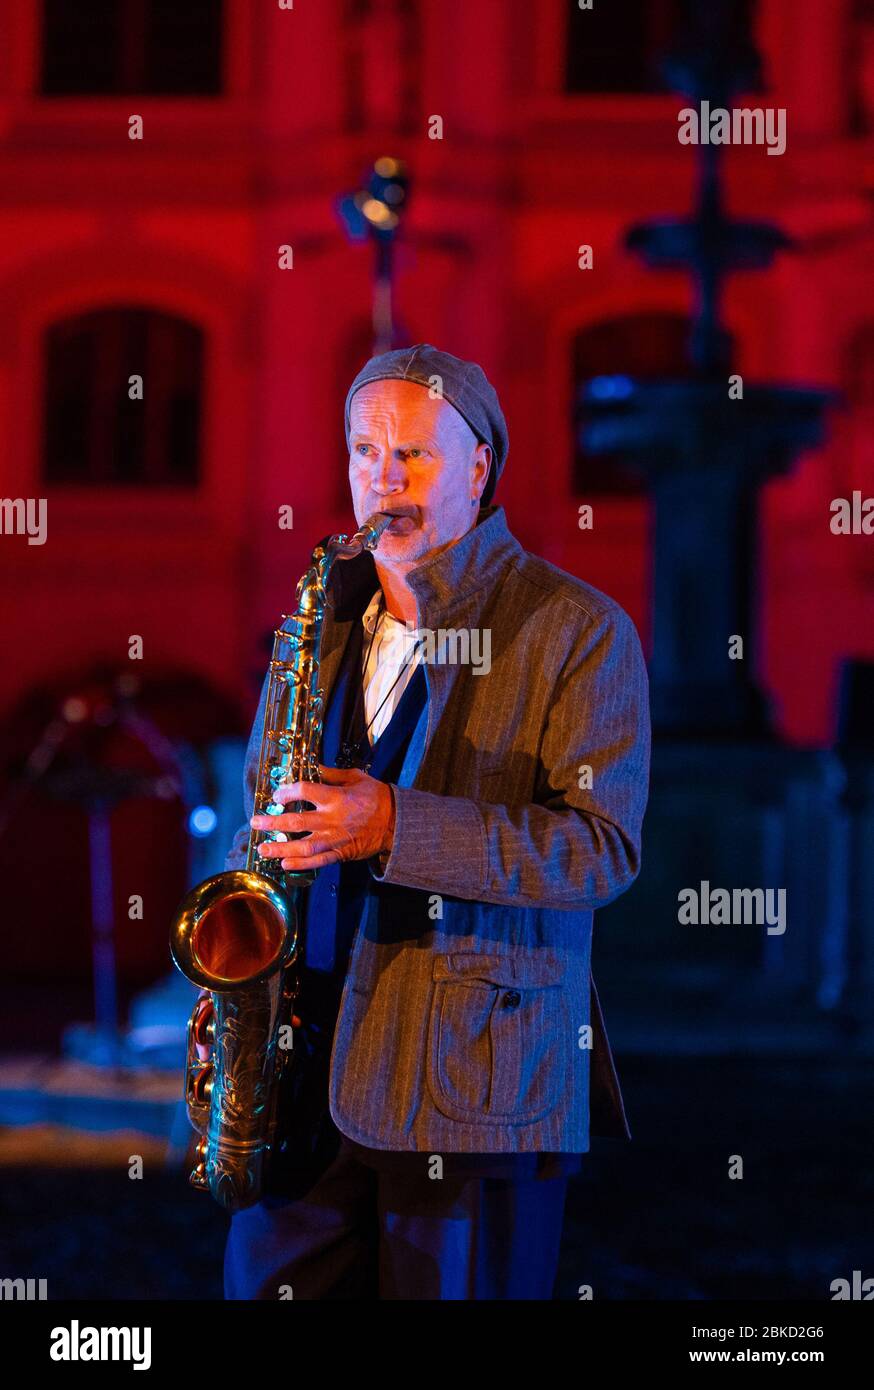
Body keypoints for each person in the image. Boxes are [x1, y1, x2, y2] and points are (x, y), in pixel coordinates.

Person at [223, 343, 650, 1300]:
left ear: (479, 467)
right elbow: (261, 817)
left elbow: (603, 851)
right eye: (365, 453)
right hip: (297, 1079)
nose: (384, 479)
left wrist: (393, 826)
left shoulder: (576, 629)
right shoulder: (318, 622)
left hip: (469, 1091)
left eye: (412, 455)